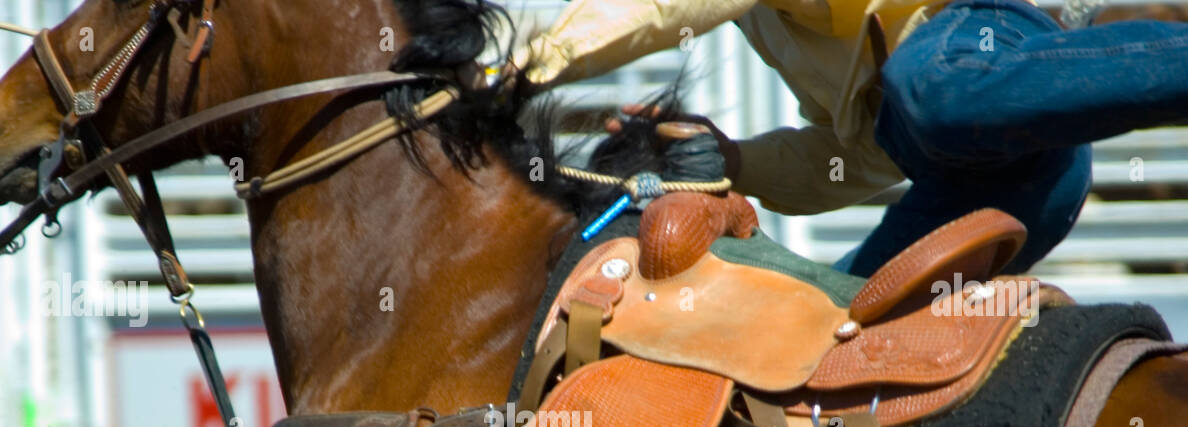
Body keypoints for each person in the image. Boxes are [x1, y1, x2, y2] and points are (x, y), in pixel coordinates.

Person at [502, 0, 1187, 277]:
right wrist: (738, 161)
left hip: (984, 45)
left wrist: (520, 66)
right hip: (998, 179)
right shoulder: (769, 27)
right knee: (831, 336)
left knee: (931, 87)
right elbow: (858, 162)